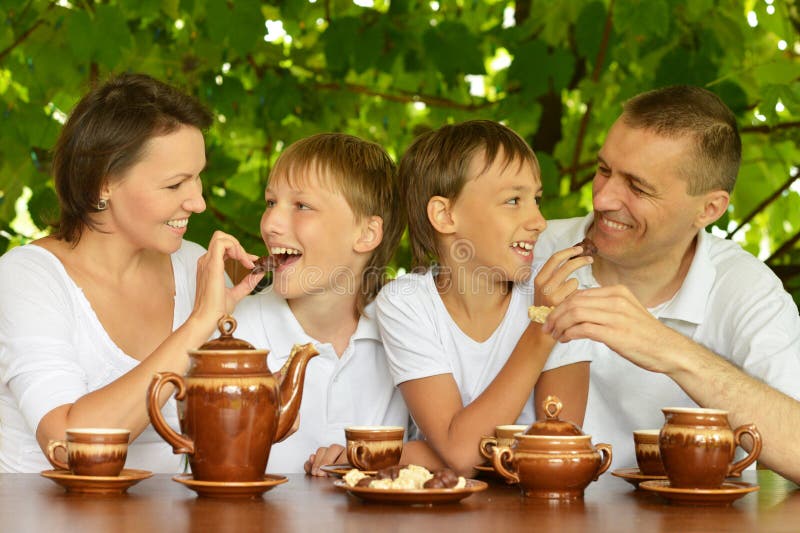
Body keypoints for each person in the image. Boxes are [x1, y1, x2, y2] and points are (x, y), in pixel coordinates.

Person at [535, 85, 800, 482]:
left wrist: (669, 350)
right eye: (604, 170)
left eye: (638, 187)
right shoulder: (527, 253)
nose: (604, 198)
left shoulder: (745, 289)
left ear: (709, 209)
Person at [0, 73, 262, 473]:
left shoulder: (196, 268)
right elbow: (69, 446)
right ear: (104, 183)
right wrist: (199, 324)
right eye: (175, 185)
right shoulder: (27, 279)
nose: (198, 202)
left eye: (198, 177)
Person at [376, 120, 593, 476]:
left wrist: (416, 455)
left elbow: (558, 457)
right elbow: (462, 454)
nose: (539, 221)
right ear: (445, 216)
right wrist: (542, 329)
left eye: (536, 199)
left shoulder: (560, 294)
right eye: (513, 200)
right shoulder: (405, 302)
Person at [232, 133, 420, 475]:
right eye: (271, 202)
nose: (270, 224)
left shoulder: (408, 335)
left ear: (366, 234)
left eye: (302, 206)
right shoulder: (236, 335)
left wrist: (376, 459)